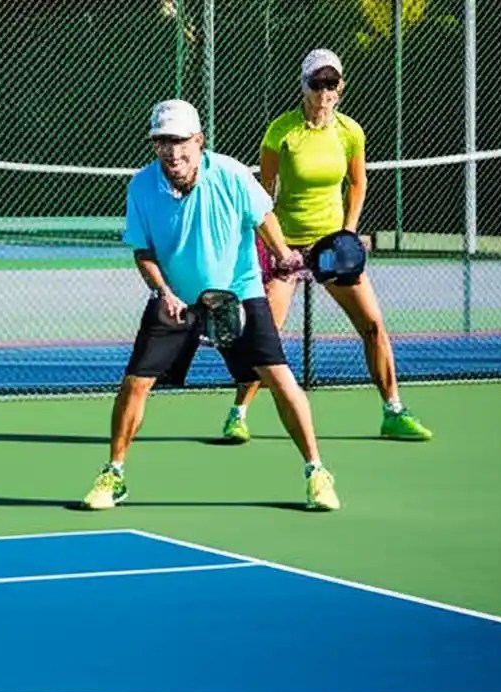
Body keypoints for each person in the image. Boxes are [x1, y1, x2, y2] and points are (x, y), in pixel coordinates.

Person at [79, 99, 340, 513]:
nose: (172, 151)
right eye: (163, 141)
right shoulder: (142, 187)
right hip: (176, 297)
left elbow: (263, 216)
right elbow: (143, 251)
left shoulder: (232, 175)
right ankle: (114, 474)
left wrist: (283, 255)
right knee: (135, 383)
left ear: (199, 141)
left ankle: (317, 473)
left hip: (238, 291)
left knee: (279, 378)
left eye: (180, 141)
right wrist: (163, 290)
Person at [218, 48, 433, 444]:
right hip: (286, 246)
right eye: (317, 83)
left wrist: (347, 234)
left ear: (341, 87)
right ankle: (238, 414)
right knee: (268, 334)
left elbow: (357, 184)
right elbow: (263, 196)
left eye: (331, 83)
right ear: (304, 86)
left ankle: (393, 411)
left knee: (372, 326)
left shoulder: (351, 132)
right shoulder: (280, 132)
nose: (324, 92)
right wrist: (274, 248)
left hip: (332, 246)